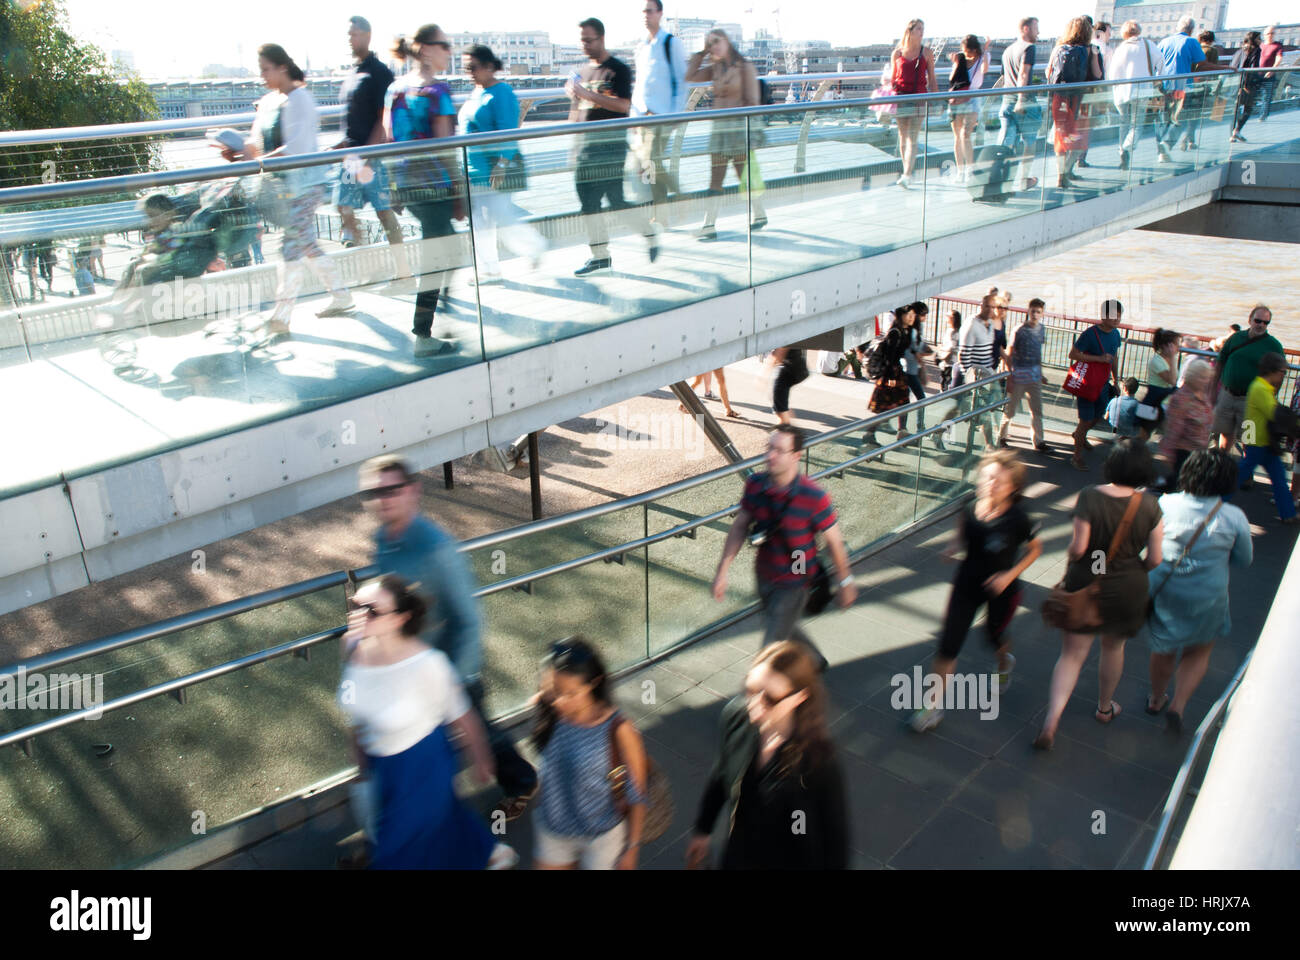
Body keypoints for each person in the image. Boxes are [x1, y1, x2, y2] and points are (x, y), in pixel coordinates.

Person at [360, 455, 540, 819]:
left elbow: (468, 619)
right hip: (407, 667)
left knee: (479, 735)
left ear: (413, 491)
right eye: (376, 491)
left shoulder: (436, 548)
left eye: (393, 489)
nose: (385, 498)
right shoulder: (383, 539)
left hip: (447, 671)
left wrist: (456, 680)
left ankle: (520, 782)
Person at [338, 574, 517, 869]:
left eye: (371, 611)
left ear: (399, 619)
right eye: (355, 605)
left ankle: (482, 852)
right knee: (435, 829)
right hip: (382, 765)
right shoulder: (353, 647)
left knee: (400, 852)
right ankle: (486, 850)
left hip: (421, 764)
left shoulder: (426, 664)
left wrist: (482, 759)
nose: (358, 616)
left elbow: (463, 715)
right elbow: (358, 710)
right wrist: (360, 754)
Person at [1033, 440, 1165, 750]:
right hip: (1128, 587)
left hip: (1087, 583)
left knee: (1072, 654)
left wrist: (1092, 562)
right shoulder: (1151, 506)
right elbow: (1156, 559)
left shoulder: (1090, 495)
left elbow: (1081, 548)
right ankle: (1105, 707)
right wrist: (1135, 568)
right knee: (1113, 647)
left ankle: (1051, 721)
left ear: (1112, 464)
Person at [222, 43, 355, 340]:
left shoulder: (300, 100)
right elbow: (256, 143)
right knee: (305, 243)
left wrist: (256, 161)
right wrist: (238, 153)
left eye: (266, 69)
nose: (263, 76)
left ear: (282, 67)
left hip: (305, 185)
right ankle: (342, 295)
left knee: (290, 247)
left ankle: (281, 318)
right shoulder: (270, 101)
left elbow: (293, 148)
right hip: (284, 187)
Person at [686, 641, 849, 869]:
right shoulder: (735, 718)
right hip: (738, 856)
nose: (755, 705)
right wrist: (703, 828)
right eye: (750, 689)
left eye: (770, 698)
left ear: (799, 697)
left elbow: (835, 842)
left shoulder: (818, 761)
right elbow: (722, 771)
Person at [911, 451, 1042, 732]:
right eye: (987, 477)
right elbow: (962, 529)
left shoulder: (1018, 519)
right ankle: (931, 707)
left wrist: (1008, 576)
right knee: (948, 644)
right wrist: (953, 545)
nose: (990, 484)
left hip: (1002, 592)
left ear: (1012, 488)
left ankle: (1005, 662)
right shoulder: (970, 505)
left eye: (998, 481)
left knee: (993, 637)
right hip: (966, 583)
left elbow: (1035, 550)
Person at [711, 425, 858, 669]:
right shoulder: (756, 485)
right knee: (781, 623)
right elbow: (739, 527)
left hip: (796, 579)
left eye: (779, 450)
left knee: (772, 644)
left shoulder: (813, 496)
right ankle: (813, 659)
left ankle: (755, 695)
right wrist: (722, 570)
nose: (771, 455)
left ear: (796, 456)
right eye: (769, 448)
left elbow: (834, 541)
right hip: (764, 573)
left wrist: (845, 582)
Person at [1145, 450, 1253, 735]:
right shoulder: (1233, 517)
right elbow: (1245, 559)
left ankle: (1156, 699)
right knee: (1198, 651)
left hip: (1167, 590)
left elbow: (1151, 545)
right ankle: (1178, 706)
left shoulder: (1165, 503)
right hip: (1209, 596)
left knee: (1164, 648)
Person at [531, 638, 646, 870]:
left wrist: (632, 848)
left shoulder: (619, 729)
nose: (560, 701)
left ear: (593, 683)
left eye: (572, 693)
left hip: (600, 837)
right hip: (553, 830)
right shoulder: (551, 710)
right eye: (556, 691)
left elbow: (638, 794)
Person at [385, 24, 465, 358]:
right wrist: (459, 190)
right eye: (445, 46)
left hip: (407, 183)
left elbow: (388, 142)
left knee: (449, 249)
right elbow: (446, 148)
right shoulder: (436, 92)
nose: (450, 52)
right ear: (426, 49)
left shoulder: (395, 89)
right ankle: (424, 332)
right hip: (435, 186)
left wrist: (393, 188)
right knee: (441, 254)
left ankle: (436, 315)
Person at [568, 17, 658, 277]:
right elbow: (577, 113)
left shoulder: (617, 70)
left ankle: (648, 232)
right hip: (584, 150)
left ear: (602, 38)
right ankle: (600, 256)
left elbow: (623, 106)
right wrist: (572, 146)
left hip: (609, 150)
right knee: (588, 205)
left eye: (589, 40)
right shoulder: (583, 72)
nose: (584, 45)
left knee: (615, 201)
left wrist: (587, 94)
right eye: (582, 40)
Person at [332, 16, 410, 289]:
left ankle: (403, 273)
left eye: (353, 33)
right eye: (348, 33)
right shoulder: (353, 72)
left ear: (367, 35)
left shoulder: (378, 72)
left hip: (369, 157)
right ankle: (373, 267)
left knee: (384, 212)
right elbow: (353, 118)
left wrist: (368, 154)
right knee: (344, 209)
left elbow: (383, 118)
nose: (349, 38)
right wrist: (340, 148)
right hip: (352, 157)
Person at [459, 44, 547, 284]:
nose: (469, 71)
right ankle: (490, 269)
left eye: (473, 66)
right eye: (465, 67)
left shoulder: (502, 92)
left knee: (502, 217)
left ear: (489, 66)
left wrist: (502, 164)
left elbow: (508, 131)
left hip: (494, 167)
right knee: (480, 221)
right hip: (474, 167)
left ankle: (535, 246)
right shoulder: (476, 92)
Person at [686, 29, 766, 238]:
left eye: (717, 41)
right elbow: (689, 76)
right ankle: (710, 225)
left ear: (728, 41)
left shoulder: (745, 67)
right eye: (710, 43)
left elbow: (753, 102)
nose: (714, 46)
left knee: (743, 176)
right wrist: (702, 53)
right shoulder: (715, 69)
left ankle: (758, 214)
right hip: (720, 130)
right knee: (716, 177)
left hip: (738, 129)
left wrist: (752, 135)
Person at [630, 1, 688, 228]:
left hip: (662, 115)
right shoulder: (642, 46)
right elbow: (640, 84)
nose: (646, 15)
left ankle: (682, 196)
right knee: (649, 167)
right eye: (644, 11)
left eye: (650, 11)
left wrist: (675, 115)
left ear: (660, 14)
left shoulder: (670, 43)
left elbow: (682, 82)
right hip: (642, 116)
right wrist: (633, 117)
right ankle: (662, 212)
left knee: (650, 161)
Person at [1233, 352, 1299, 524]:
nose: (1284, 376)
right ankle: (1218, 500)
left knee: (1277, 478)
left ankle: (1288, 513)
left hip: (1261, 440)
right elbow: (1275, 414)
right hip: (1259, 441)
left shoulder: (1261, 386)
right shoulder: (1261, 389)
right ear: (1273, 371)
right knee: (1243, 474)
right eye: (1283, 372)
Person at [1213, 305, 1283, 450]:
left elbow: (1280, 373)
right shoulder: (1236, 337)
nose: (1261, 325)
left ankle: (1246, 470)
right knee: (1225, 434)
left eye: (1266, 322)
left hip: (1250, 401)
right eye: (1258, 321)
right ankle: (1221, 467)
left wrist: (1270, 397)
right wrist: (1213, 389)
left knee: (1248, 440)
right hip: (1227, 395)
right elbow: (1221, 361)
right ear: (1250, 320)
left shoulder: (1273, 345)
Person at [1069, 298, 1124, 472]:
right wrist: (1098, 359)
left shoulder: (1115, 334)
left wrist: (1116, 379)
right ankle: (1077, 457)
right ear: (1104, 316)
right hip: (1087, 384)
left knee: (1099, 415)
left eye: (1119, 316)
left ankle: (1080, 434)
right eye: (1114, 316)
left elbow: (1114, 357)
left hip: (1103, 383)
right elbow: (1073, 354)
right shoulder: (1090, 334)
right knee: (1084, 419)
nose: (1117, 320)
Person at [1046, 17, 1099, 191]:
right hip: (1079, 99)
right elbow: (1097, 75)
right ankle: (1067, 171)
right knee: (1079, 139)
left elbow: (1049, 72)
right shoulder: (1091, 49)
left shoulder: (1058, 48)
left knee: (1060, 137)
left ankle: (1061, 175)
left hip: (1059, 97)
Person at [1108, 20, 1164, 171]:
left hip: (1122, 92)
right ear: (1138, 31)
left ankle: (1121, 152)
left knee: (1123, 123)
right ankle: (1127, 147)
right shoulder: (1148, 45)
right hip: (1142, 90)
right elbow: (1161, 64)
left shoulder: (1121, 48)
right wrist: (1158, 80)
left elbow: (1113, 73)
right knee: (1136, 124)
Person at [889, 19, 937, 189]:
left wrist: (934, 100)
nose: (922, 32)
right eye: (918, 29)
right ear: (909, 31)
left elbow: (932, 79)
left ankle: (907, 174)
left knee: (912, 137)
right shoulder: (897, 53)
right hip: (900, 98)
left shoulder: (927, 53)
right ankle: (906, 171)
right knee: (902, 136)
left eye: (923, 29)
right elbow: (893, 78)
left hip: (919, 99)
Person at [999, 17, 1043, 194]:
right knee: (1029, 142)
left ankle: (1003, 180)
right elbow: (1023, 74)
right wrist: (1021, 99)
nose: (1038, 32)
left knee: (1008, 143)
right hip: (1023, 102)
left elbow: (1003, 78)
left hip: (1006, 100)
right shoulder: (1028, 48)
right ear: (1026, 29)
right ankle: (1024, 180)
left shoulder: (1008, 50)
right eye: (1035, 28)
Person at [1153, 17, 1207, 160]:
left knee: (1164, 118)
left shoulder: (1164, 41)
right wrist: (1227, 68)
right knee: (1179, 118)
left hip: (1164, 85)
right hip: (1182, 87)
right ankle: (1166, 145)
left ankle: (1162, 151)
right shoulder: (1191, 42)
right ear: (1191, 30)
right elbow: (1202, 64)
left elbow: (1155, 63)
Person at [999, 296, 1049, 452]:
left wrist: (1041, 373)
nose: (1035, 314)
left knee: (1037, 410)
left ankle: (1038, 441)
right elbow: (1010, 352)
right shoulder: (1019, 329)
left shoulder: (1042, 330)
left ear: (1042, 314)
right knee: (1010, 410)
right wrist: (1010, 375)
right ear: (1028, 311)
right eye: (1033, 311)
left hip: (1034, 378)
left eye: (1038, 312)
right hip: (1019, 376)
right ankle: (1001, 437)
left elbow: (1038, 353)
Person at [1158, 358, 1215, 489]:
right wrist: (1168, 453)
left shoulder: (1203, 395)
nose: (1206, 381)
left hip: (1198, 453)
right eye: (1202, 377)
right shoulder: (1181, 399)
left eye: (1207, 377)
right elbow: (1173, 429)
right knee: (1181, 487)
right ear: (1192, 377)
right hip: (1184, 453)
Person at [862, 318, 913, 448]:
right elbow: (890, 357)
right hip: (892, 376)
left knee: (893, 406)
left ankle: (900, 430)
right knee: (888, 407)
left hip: (894, 375)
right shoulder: (896, 333)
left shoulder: (899, 332)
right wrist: (891, 378)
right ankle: (871, 433)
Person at [947, 35, 990, 183]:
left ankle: (970, 169)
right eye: (964, 51)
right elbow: (952, 79)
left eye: (968, 51)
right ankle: (960, 171)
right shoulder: (960, 58)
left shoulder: (983, 57)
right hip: (957, 98)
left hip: (973, 98)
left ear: (974, 49)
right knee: (957, 136)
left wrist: (983, 55)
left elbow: (984, 70)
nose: (966, 54)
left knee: (966, 134)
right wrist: (956, 63)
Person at [898, 301, 934, 436]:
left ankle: (903, 429)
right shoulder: (912, 329)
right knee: (920, 398)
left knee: (905, 400)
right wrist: (922, 356)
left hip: (910, 369)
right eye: (924, 315)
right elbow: (911, 350)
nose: (925, 318)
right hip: (908, 370)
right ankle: (918, 427)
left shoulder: (915, 328)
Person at [1228, 32, 1264, 143]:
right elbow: (1253, 68)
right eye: (1259, 38)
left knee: (1235, 110)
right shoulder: (1256, 50)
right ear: (1253, 39)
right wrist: (1249, 84)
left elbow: (1232, 65)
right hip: (1247, 85)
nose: (1261, 40)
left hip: (1234, 84)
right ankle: (1237, 131)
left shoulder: (1239, 51)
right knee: (1248, 109)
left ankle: (1232, 135)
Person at [1143, 328, 1180, 411]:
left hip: (1166, 401)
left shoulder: (1170, 360)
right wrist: (1172, 357)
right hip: (1158, 403)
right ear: (1166, 345)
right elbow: (1172, 381)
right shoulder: (1157, 361)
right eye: (1176, 344)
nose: (1178, 348)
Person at [769, 346, 808, 425]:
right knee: (780, 404)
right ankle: (788, 428)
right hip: (795, 368)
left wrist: (765, 371)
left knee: (779, 406)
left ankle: (786, 429)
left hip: (789, 369)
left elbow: (781, 351)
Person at [1258, 26, 1283, 122]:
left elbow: (1279, 58)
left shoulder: (1277, 46)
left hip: (1269, 75)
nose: (1270, 35)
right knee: (1253, 94)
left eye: (1272, 33)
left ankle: (1263, 116)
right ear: (1264, 35)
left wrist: (1272, 70)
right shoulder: (1260, 45)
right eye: (1268, 33)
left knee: (1267, 96)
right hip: (1256, 74)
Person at [939, 309, 961, 392]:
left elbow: (952, 347)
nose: (946, 318)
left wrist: (942, 349)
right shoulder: (950, 330)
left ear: (953, 319)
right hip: (947, 363)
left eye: (948, 316)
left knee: (946, 384)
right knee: (944, 382)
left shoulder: (954, 332)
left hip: (950, 363)